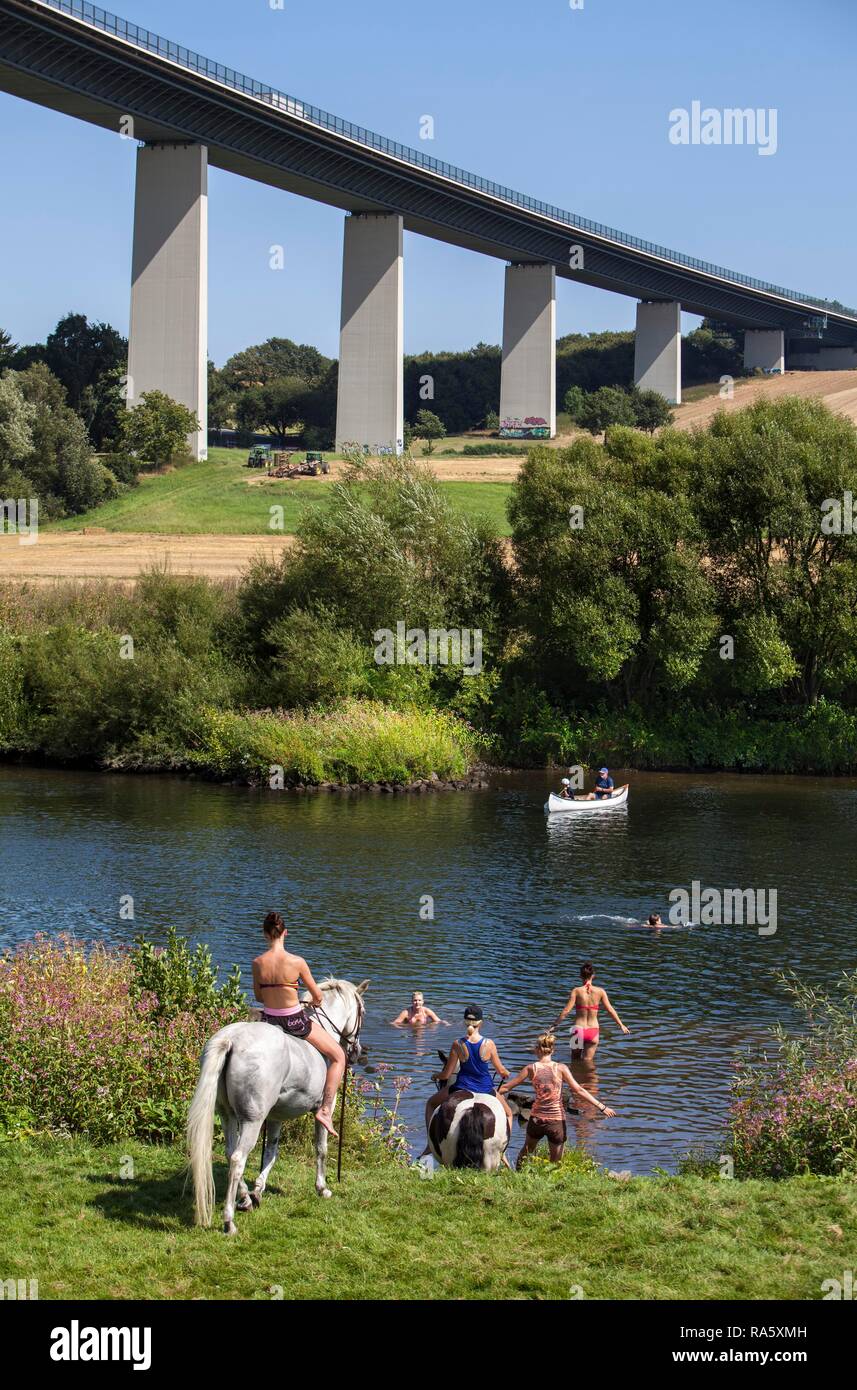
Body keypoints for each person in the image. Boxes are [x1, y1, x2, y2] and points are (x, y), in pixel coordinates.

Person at [251, 910, 344, 1137]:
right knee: (339, 1056)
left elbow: (259, 998)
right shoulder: (297, 962)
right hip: (294, 1021)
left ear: (265, 934)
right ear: (285, 933)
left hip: (269, 1020)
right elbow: (318, 996)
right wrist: (313, 1001)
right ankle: (324, 1110)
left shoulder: (257, 963)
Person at [499, 1031, 615, 1168]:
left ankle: (517, 1174)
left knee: (526, 1150)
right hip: (556, 1120)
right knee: (555, 1161)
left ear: (537, 1049)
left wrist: (489, 1093)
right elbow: (579, 1090)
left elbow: (506, 1087)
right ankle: (551, 1183)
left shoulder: (530, 1068)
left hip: (536, 1119)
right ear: (553, 1050)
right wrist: (602, 1107)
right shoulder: (561, 1068)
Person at [424, 1005, 514, 1134]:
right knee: (509, 1114)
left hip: (462, 1087)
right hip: (485, 1088)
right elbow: (501, 1071)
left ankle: (429, 1146)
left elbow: (446, 1075)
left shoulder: (457, 1044)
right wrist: (506, 1073)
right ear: (481, 1023)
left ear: (465, 1022)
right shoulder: (489, 1044)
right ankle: (502, 1151)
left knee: (431, 1104)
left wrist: (435, 1075)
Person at [551, 961, 630, 1061]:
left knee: (574, 1061)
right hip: (593, 1030)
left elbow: (566, 1011)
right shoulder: (600, 991)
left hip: (578, 1030)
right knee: (588, 1063)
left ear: (580, 976)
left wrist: (554, 1025)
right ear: (593, 976)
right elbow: (610, 1009)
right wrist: (621, 1025)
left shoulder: (576, 991)